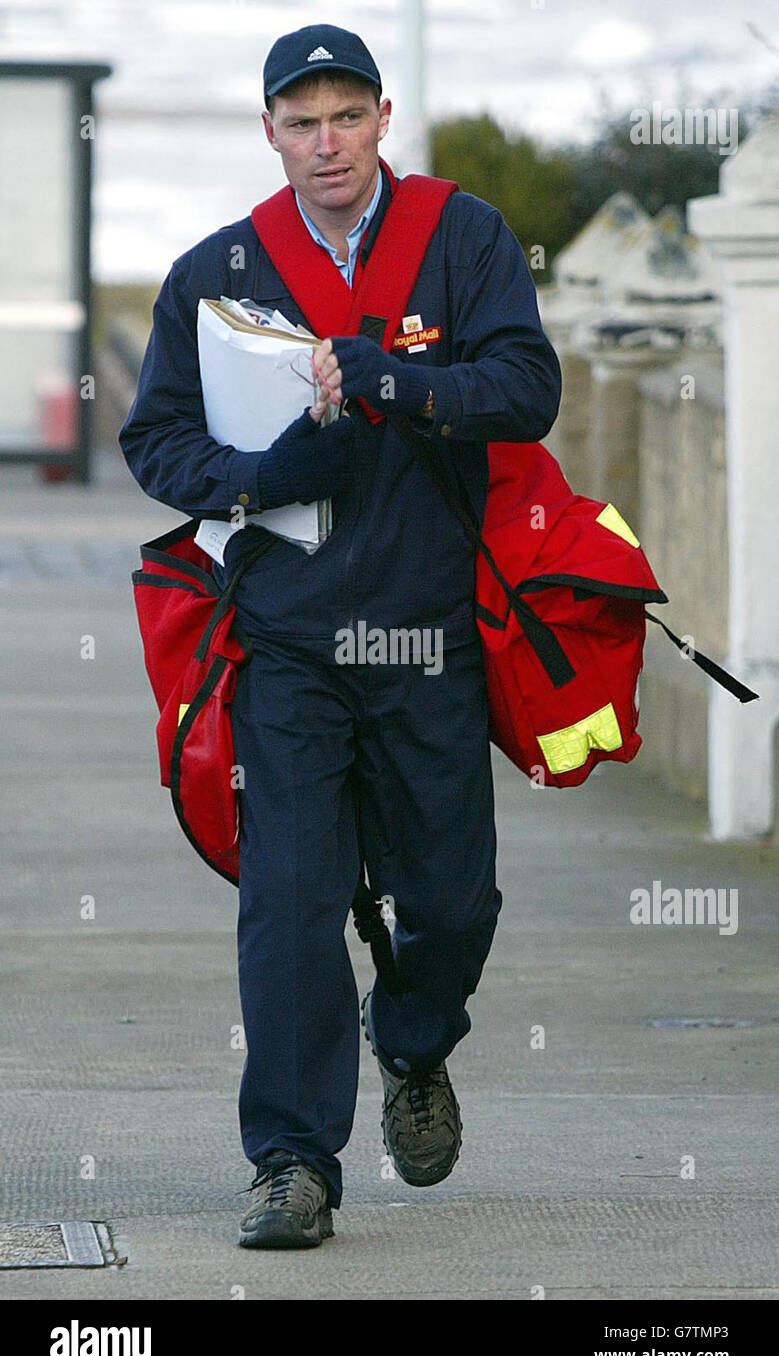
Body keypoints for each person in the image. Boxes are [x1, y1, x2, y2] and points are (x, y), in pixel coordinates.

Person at [119, 22, 561, 1250]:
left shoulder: (462, 238)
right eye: (299, 121)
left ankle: (413, 1043)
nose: (325, 142)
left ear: (381, 119)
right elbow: (156, 445)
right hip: (289, 641)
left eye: (345, 116)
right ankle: (292, 1162)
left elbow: (526, 387)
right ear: (269, 133)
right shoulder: (213, 272)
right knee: (290, 901)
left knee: (453, 899)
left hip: (426, 635)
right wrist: (263, 474)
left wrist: (401, 383)